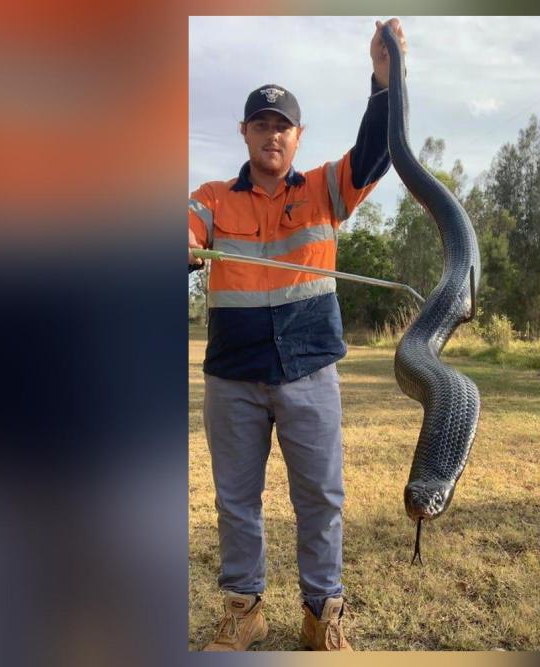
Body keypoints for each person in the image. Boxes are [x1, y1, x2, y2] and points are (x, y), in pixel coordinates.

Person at [188, 18, 407, 652]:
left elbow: (376, 152)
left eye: (282, 125)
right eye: (261, 124)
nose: (272, 134)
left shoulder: (324, 189)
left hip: (310, 370)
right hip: (233, 376)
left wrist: (385, 83)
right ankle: (243, 609)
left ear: (297, 135)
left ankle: (322, 614)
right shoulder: (211, 198)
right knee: (236, 501)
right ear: (245, 133)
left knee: (321, 499)